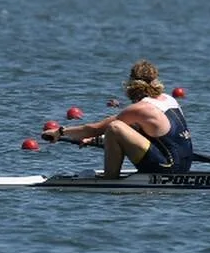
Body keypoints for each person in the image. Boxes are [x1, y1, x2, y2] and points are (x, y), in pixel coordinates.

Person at [42, 60, 194, 178]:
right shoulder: (169, 99)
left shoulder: (141, 108)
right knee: (126, 126)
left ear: (132, 84)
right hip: (184, 165)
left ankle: (109, 178)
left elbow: (94, 129)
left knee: (114, 127)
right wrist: (96, 140)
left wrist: (60, 132)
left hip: (167, 168)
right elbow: (141, 132)